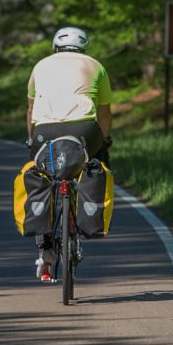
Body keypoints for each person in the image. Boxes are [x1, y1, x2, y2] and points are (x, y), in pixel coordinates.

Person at [25, 26, 113, 280]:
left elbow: (31, 109)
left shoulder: (40, 66)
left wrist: (31, 139)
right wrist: (104, 141)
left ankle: (45, 251)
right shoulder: (96, 66)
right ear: (84, 47)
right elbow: (104, 113)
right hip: (84, 129)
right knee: (95, 161)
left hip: (45, 130)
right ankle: (85, 211)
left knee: (40, 173)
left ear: (55, 46)